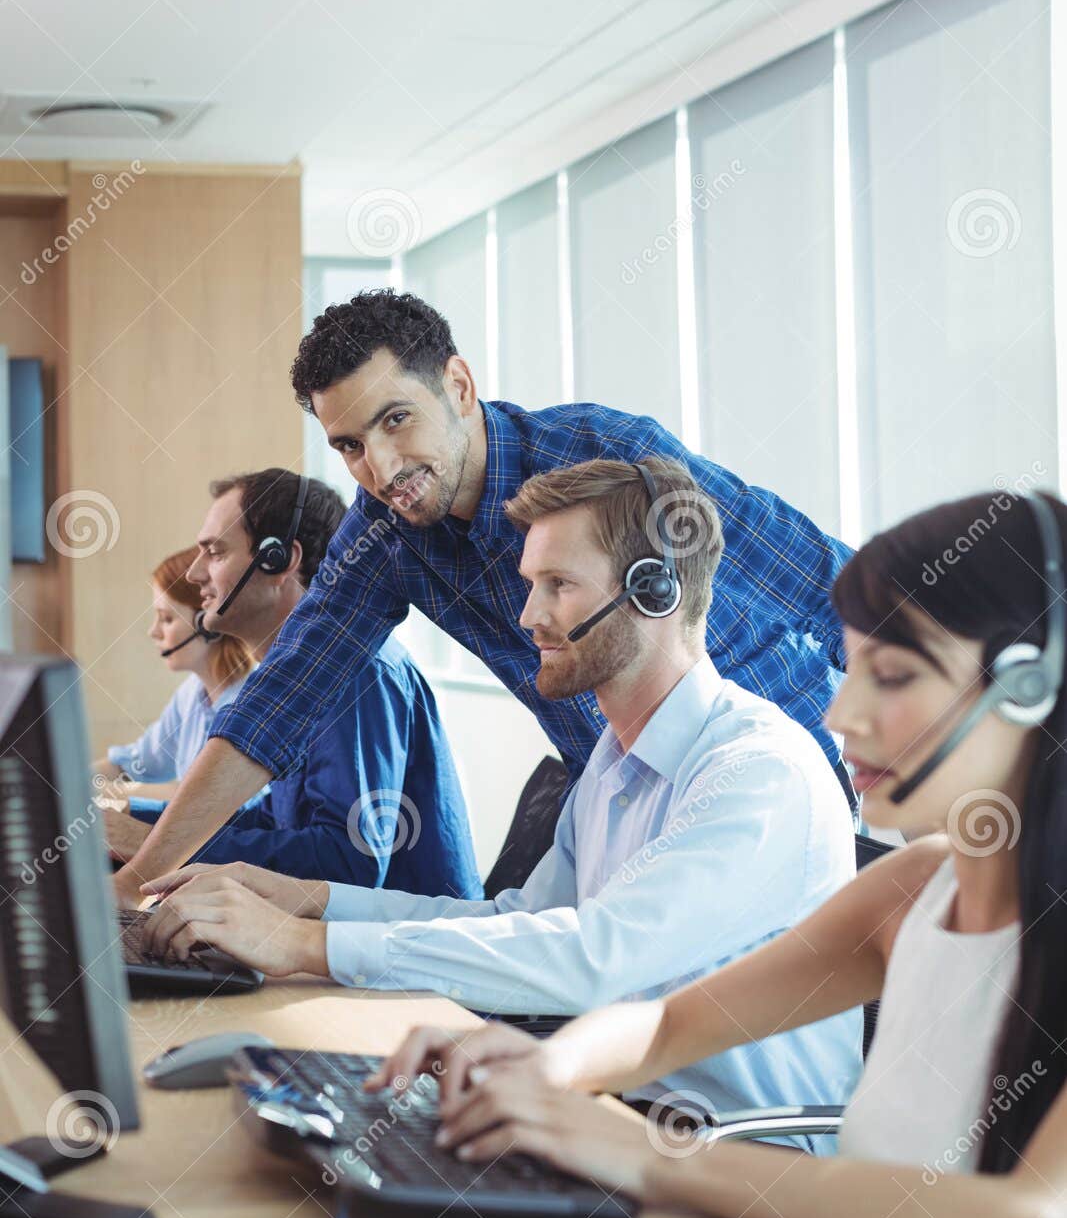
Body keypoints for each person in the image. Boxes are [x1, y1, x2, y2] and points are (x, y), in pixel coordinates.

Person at [371, 489, 1067, 1218]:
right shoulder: (917, 887)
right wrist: (547, 1068)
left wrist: (646, 1155)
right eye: (849, 669)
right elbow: (669, 1024)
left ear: (1030, 686)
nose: (840, 714)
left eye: (891, 676)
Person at [139, 457, 860, 1141]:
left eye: (558, 586)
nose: (526, 616)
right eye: (529, 584)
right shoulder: (612, 759)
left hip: (737, 1152)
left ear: (654, 593)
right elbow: (523, 919)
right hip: (613, 1114)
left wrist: (303, 945)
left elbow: (593, 959)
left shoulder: (758, 772)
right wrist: (313, 900)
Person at [113, 291, 854, 902]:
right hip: (609, 783)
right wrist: (138, 885)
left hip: (758, 779)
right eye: (348, 445)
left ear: (459, 388)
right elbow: (279, 702)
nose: (380, 467)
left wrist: (942, 755)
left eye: (395, 419)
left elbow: (825, 583)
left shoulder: (607, 456)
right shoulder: (385, 534)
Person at [107, 468, 480, 897]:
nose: (193, 574)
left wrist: (148, 846)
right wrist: (131, 816)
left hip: (393, 955)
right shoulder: (285, 678)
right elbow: (274, 822)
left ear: (279, 560)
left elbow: (347, 862)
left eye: (215, 552)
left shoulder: (355, 670)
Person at [94, 545, 253, 801]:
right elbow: (133, 764)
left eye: (167, 619)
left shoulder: (247, 702)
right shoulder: (192, 693)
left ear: (208, 625)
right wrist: (63, 780)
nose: (153, 632)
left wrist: (90, 792)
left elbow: (194, 799)